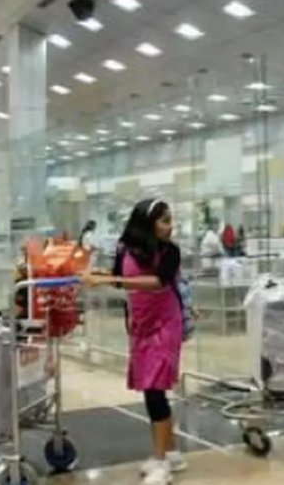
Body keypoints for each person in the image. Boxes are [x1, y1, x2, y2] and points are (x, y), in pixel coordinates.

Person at [80, 199, 186, 485]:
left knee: (155, 390)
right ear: (147, 222)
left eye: (170, 219)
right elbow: (119, 277)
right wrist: (94, 275)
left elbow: (158, 282)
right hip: (140, 326)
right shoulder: (124, 249)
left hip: (166, 324)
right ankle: (171, 453)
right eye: (165, 220)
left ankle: (162, 463)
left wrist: (108, 280)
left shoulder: (171, 251)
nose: (170, 226)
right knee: (151, 390)